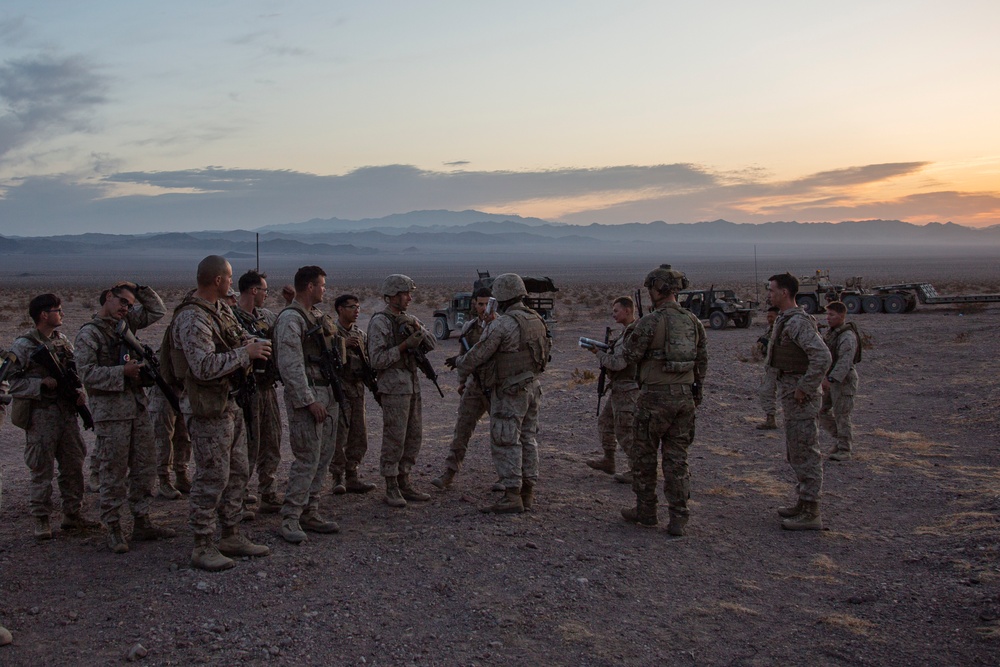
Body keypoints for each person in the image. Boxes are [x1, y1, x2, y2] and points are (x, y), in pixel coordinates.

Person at [170, 255, 272, 571]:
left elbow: (231, 338)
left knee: (239, 469)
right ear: (217, 280)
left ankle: (231, 533)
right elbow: (202, 367)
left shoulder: (220, 310)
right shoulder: (192, 318)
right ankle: (202, 543)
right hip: (206, 408)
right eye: (228, 278)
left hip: (228, 401)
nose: (231, 282)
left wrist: (247, 343)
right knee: (213, 475)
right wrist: (246, 353)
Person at [75, 282, 176, 554]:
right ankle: (114, 527)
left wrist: (138, 287)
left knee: (145, 466)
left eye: (130, 305)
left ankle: (142, 520)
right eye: (122, 302)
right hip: (111, 415)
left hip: (137, 409)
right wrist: (122, 372)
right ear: (108, 296)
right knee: (114, 470)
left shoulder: (127, 324)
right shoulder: (89, 334)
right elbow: (87, 374)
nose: (126, 308)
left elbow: (157, 310)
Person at [448, 274, 551, 514]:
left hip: (510, 390)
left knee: (506, 439)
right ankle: (528, 492)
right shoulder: (536, 319)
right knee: (528, 439)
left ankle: (512, 494)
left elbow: (478, 354)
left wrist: (460, 363)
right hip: (532, 387)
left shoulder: (503, 324)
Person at [620, 265, 707, 536]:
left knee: (644, 457)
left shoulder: (650, 321)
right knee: (677, 459)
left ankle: (646, 512)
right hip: (684, 398)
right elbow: (702, 362)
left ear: (657, 289)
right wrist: (694, 392)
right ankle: (679, 517)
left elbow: (630, 354)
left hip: (653, 398)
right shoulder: (693, 321)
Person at [7, 294, 98, 540]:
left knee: (73, 465)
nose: (62, 314)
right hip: (41, 416)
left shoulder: (62, 341)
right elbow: (11, 383)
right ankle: (41, 518)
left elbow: (73, 371)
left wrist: (77, 393)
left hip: (66, 414)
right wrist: (39, 385)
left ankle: (72, 514)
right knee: (41, 468)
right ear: (44, 315)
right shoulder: (23, 346)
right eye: (57, 310)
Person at [273, 266, 341, 543]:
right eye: (322, 285)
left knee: (323, 456)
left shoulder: (312, 314)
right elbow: (290, 365)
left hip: (327, 392)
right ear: (310, 286)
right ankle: (290, 517)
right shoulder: (291, 319)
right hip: (309, 395)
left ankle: (310, 510)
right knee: (307, 458)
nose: (325, 289)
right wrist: (308, 400)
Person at [765, 272, 832, 531]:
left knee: (806, 452)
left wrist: (805, 387)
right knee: (796, 451)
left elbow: (822, 357)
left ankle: (811, 510)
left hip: (801, 398)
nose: (769, 294)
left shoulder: (798, 323)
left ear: (784, 292)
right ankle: (804, 503)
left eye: (772, 290)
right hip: (792, 396)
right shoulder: (786, 320)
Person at [367, 274, 436, 507]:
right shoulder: (380, 322)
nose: (409, 298)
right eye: (405, 293)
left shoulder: (410, 318)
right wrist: (404, 347)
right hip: (393, 386)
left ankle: (405, 479)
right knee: (395, 436)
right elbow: (376, 359)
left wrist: (419, 331)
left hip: (411, 383)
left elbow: (432, 343)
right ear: (393, 295)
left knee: (413, 435)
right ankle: (391, 484)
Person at [432, 287, 497, 490]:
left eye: (488, 304)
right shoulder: (470, 327)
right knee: (462, 429)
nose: (484, 308)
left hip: (496, 387)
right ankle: (449, 473)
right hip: (475, 386)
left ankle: (507, 477)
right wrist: (462, 381)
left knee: (502, 433)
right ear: (474, 304)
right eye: (480, 304)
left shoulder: (501, 326)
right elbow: (463, 355)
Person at [233, 270, 284, 513]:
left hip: (267, 387)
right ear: (254, 291)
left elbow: (284, 329)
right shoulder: (232, 319)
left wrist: (289, 303)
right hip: (246, 389)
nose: (266, 294)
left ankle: (268, 491)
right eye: (264, 290)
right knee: (247, 445)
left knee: (272, 440)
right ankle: (239, 497)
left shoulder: (266, 316)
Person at [585, 296, 640, 484]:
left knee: (625, 431)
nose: (613, 314)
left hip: (628, 390)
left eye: (616, 310)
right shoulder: (625, 333)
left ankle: (637, 470)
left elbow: (618, 363)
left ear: (627, 310)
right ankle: (609, 460)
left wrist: (597, 353)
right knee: (606, 422)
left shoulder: (632, 335)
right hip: (619, 388)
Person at [328, 293, 377, 494]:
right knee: (340, 434)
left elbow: (368, 361)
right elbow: (327, 359)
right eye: (351, 307)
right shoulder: (331, 333)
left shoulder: (360, 334)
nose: (356, 311)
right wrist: (343, 346)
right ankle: (337, 477)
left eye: (358, 307)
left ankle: (352, 474)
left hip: (358, 389)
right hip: (340, 388)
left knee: (359, 434)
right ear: (340, 309)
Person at [819, 301, 860, 462]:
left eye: (832, 315)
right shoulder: (833, 333)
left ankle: (845, 448)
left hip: (843, 380)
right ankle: (840, 438)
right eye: (827, 314)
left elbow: (845, 361)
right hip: (830, 378)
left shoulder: (847, 336)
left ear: (842, 316)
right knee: (821, 411)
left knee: (842, 414)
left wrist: (831, 379)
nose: (828, 318)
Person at [150, 384, 192, 499]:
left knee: (183, 434)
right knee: (163, 437)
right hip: (162, 388)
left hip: (183, 387)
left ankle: (181, 476)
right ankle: (164, 480)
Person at [756, 306, 781, 430]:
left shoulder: (782, 329)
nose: (769, 319)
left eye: (772, 317)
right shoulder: (770, 329)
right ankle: (770, 418)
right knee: (766, 391)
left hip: (782, 367)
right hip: (771, 366)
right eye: (768, 317)